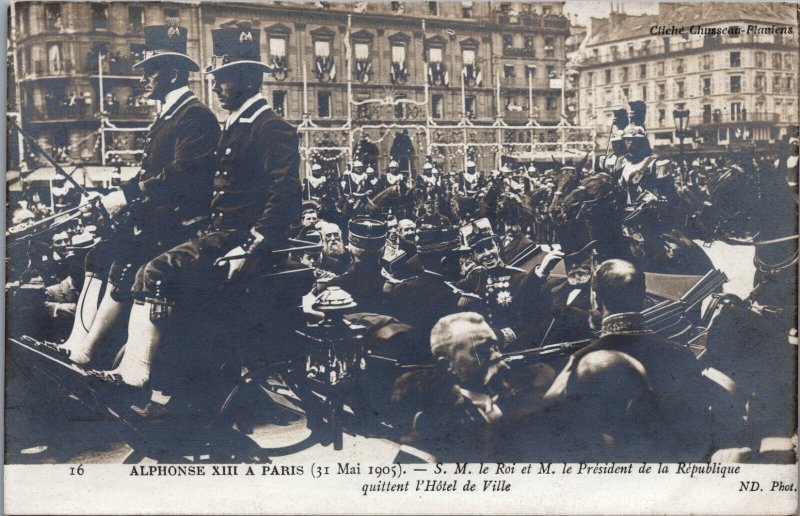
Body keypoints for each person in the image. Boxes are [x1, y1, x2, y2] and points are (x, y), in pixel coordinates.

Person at [88, 21, 301, 390]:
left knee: (153, 272)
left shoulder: (269, 126)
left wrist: (250, 247)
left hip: (238, 239)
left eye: (224, 77)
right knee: (141, 265)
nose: (215, 85)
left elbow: (285, 195)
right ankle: (135, 370)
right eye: (216, 76)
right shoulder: (238, 123)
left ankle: (135, 374)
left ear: (250, 80)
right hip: (219, 232)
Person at [59, 21, 221, 365]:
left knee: (125, 259)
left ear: (174, 74)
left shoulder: (196, 116)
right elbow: (151, 174)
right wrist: (114, 196)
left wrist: (125, 198)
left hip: (182, 224)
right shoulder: (170, 115)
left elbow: (183, 175)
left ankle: (90, 352)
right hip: (159, 220)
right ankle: (77, 342)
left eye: (150, 70)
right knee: (98, 255)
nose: (143, 79)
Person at [540, 259, 716, 461]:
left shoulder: (580, 362)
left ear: (596, 299)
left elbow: (555, 436)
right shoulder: (680, 354)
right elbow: (697, 434)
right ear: (643, 297)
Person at [456, 218, 562, 350]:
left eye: (490, 247)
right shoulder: (475, 276)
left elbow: (529, 294)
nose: (487, 254)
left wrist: (541, 271)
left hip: (512, 346)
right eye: (480, 251)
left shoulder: (517, 276)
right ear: (473, 256)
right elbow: (451, 290)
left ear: (498, 247)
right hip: (481, 346)